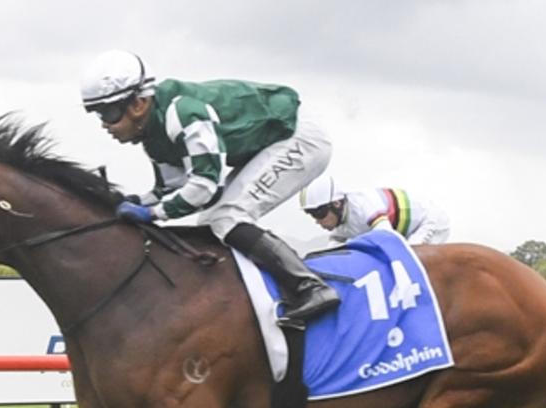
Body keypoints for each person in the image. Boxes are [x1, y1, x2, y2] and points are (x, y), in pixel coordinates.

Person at [79, 50, 339, 326]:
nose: (106, 125)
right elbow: (173, 188)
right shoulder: (153, 136)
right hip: (269, 142)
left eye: (109, 112)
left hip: (299, 136)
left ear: (139, 103)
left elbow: (205, 187)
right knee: (209, 222)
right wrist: (133, 201)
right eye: (99, 115)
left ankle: (309, 287)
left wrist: (152, 213)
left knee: (228, 216)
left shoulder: (184, 114)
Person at [299, 175, 450, 246]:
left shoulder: (364, 206)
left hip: (429, 221)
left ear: (337, 204)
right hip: (405, 231)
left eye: (319, 213)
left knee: (411, 257)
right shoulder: (339, 224)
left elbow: (386, 238)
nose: (317, 221)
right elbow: (332, 250)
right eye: (311, 214)